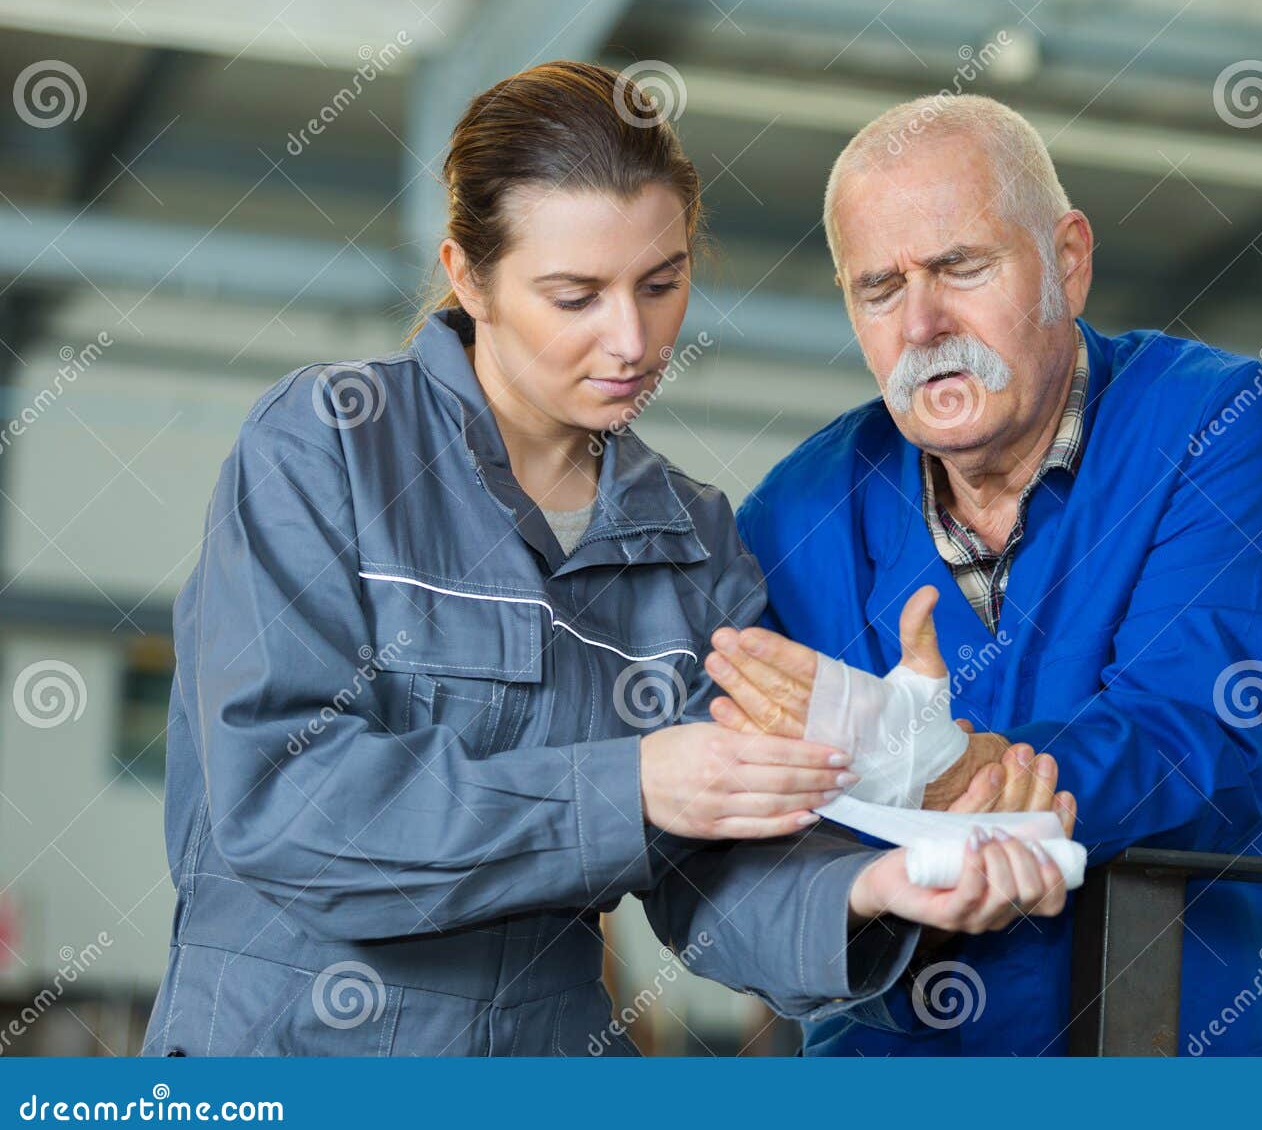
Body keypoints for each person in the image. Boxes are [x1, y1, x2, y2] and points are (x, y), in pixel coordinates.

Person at [140, 64, 1070, 1058]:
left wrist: (868, 887)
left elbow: (711, 869)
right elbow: (283, 800)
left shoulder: (693, 540)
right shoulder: (329, 449)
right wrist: (627, 786)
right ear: (468, 275)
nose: (631, 340)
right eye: (575, 295)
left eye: (661, 284)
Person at [706, 94, 1262, 1056]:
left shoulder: (1210, 424)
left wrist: (943, 771)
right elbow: (748, 865)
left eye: (960, 267)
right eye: (879, 288)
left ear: (1068, 259)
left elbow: (1200, 724)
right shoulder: (795, 516)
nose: (922, 323)